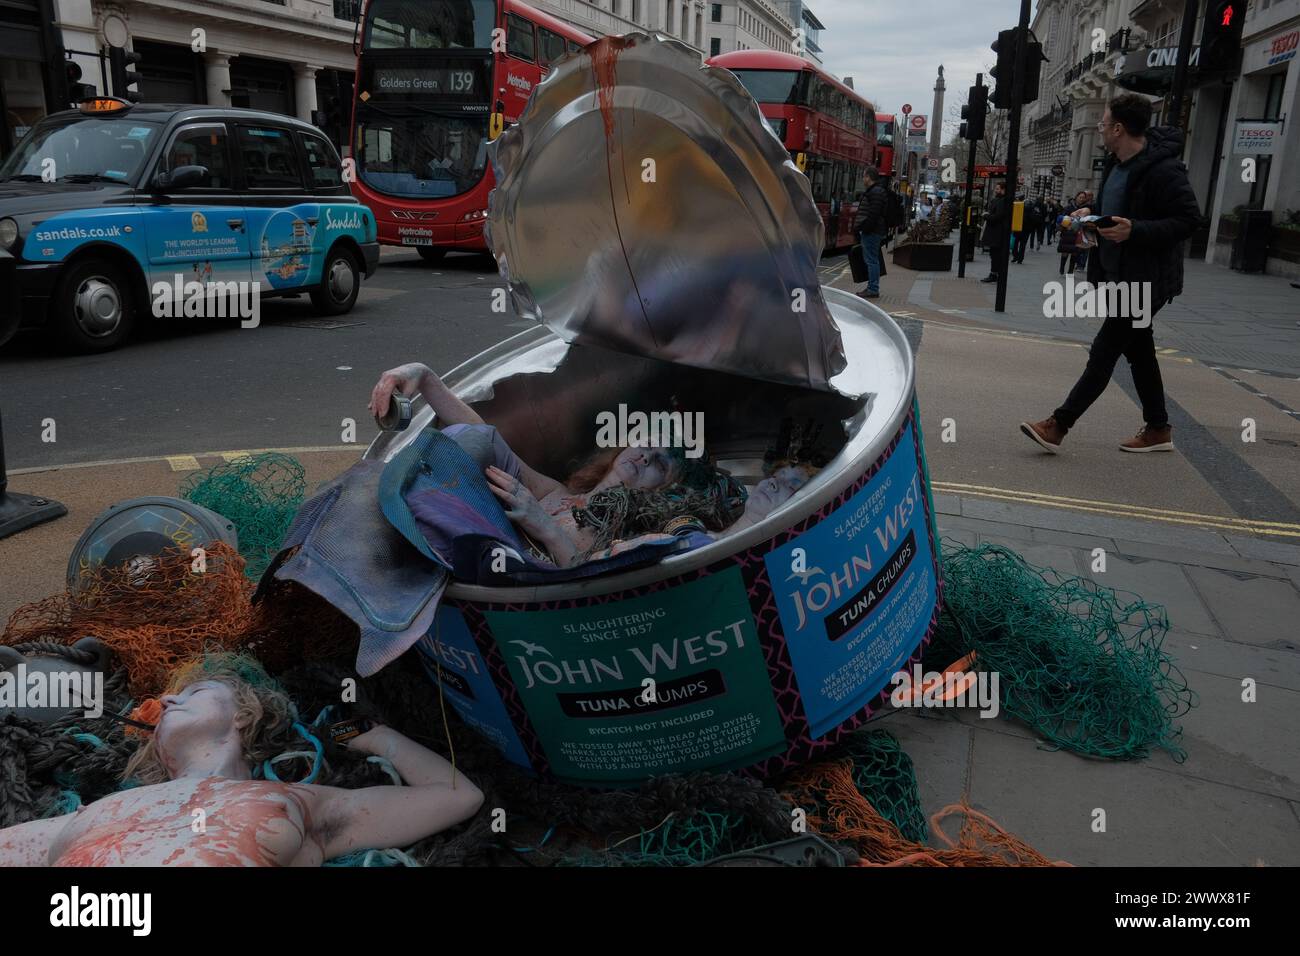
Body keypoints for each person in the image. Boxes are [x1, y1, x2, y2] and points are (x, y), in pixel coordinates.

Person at [0, 655, 483, 865]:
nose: (166, 701)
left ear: (243, 717)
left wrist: (371, 735)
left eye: (195, 691)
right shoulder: (97, 812)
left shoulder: (298, 801)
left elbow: (457, 795)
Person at [370, 363, 707, 565]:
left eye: (660, 465)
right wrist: (425, 377)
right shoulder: (554, 493)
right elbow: (484, 437)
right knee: (472, 440)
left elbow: (589, 578)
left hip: (503, 594)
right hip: (419, 538)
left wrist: (543, 525)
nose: (646, 456)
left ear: (663, 490)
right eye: (646, 444)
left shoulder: (626, 535)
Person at [1021, 94, 1202, 455]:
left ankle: (1059, 424)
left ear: (1118, 128)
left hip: (1145, 280)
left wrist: (1135, 230)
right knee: (1140, 351)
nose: (1101, 129)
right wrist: (1093, 213)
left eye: (1104, 124)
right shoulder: (1116, 166)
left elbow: (1189, 221)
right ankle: (1158, 428)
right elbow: (1114, 211)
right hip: (1118, 275)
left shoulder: (1164, 170)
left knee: (1104, 351)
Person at [855, 166, 889, 299]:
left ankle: (873, 289)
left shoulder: (875, 192)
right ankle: (872, 287)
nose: (863, 179)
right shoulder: (876, 191)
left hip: (872, 231)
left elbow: (874, 214)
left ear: (869, 177)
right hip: (874, 230)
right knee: (871, 259)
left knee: (871, 260)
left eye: (864, 176)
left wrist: (865, 228)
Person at [980, 181, 1010, 283]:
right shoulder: (999, 200)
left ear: (1003, 190)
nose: (995, 191)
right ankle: (995, 274)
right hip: (997, 232)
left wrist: (985, 215)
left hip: (997, 233)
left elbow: (998, 217)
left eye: (997, 189)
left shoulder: (1002, 201)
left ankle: (994, 274)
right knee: (994, 254)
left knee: (996, 255)